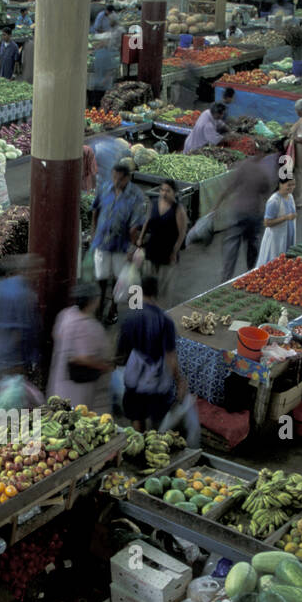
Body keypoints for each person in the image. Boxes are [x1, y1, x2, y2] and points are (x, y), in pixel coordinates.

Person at [115, 273, 187, 432]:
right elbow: (170, 357)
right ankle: (154, 442)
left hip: (134, 378)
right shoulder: (165, 320)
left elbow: (120, 354)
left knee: (136, 415)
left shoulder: (129, 317)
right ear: (156, 292)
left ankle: (139, 442)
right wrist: (179, 379)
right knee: (157, 419)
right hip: (157, 381)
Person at [91, 160, 148, 322]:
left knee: (119, 279)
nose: (116, 181)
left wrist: (132, 248)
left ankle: (113, 310)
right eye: (114, 177)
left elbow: (134, 226)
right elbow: (96, 210)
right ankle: (100, 307)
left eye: (120, 178)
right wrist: (94, 232)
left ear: (127, 178)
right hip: (102, 242)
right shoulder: (104, 188)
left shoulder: (135, 196)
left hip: (121, 246)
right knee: (100, 278)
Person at [214, 147, 278, 282]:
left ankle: (225, 278)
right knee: (252, 245)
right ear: (261, 155)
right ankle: (252, 275)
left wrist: (216, 206)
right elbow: (267, 194)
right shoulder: (263, 172)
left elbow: (229, 188)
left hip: (238, 212)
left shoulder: (242, 166)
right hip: (254, 214)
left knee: (231, 246)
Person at [46, 281, 112, 410]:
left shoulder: (66, 314)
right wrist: (104, 366)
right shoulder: (89, 325)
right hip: (76, 389)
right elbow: (81, 358)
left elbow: (56, 336)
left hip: (58, 380)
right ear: (94, 301)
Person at [0, 254, 41, 379]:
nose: (39, 272)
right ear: (25, 271)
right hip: (13, 358)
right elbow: (22, 332)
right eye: (36, 269)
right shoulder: (26, 295)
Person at [138, 179, 188, 307]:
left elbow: (182, 233)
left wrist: (174, 252)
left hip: (167, 252)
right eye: (162, 190)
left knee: (163, 287)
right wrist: (141, 238)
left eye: (168, 191)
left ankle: (161, 312)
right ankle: (144, 309)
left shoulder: (178, 209)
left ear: (174, 193)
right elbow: (147, 222)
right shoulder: (154, 203)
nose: (164, 193)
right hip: (152, 249)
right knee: (147, 282)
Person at [256, 178, 297, 267]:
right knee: (272, 266)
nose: (292, 187)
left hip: (288, 237)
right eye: (289, 185)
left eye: (293, 184)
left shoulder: (290, 197)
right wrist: (286, 217)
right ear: (280, 184)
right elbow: (267, 223)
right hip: (276, 240)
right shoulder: (274, 201)